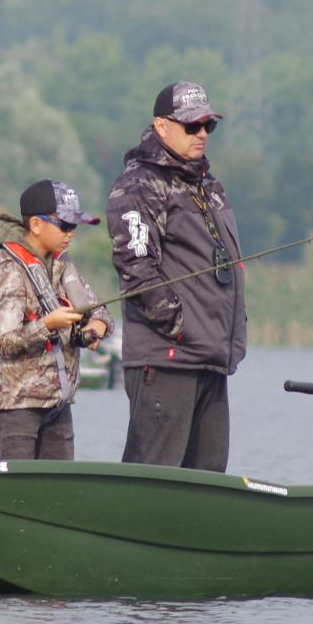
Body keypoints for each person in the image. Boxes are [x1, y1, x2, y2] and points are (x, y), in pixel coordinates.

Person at [106, 81, 246, 472]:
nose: (201, 133)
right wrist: (182, 327)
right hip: (168, 360)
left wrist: (223, 334)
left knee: (208, 480)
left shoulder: (208, 185)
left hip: (211, 358)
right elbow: (137, 272)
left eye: (208, 126)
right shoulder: (138, 186)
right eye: (191, 125)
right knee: (154, 478)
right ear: (161, 126)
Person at [0, 179, 114, 461]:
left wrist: (94, 329)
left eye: (75, 225)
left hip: (58, 405)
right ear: (37, 225)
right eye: (64, 225)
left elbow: (101, 312)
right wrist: (48, 325)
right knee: (18, 490)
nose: (71, 233)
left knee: (58, 490)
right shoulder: (8, 271)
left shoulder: (64, 267)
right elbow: (4, 341)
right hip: (19, 407)